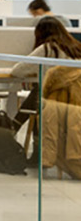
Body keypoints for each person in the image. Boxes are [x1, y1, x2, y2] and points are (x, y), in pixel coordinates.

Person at [11, 16, 81, 175]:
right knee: (39, 94)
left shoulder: (48, 49)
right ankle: (20, 134)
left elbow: (17, 70)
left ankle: (13, 128)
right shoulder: (76, 47)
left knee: (39, 95)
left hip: (55, 104)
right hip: (76, 101)